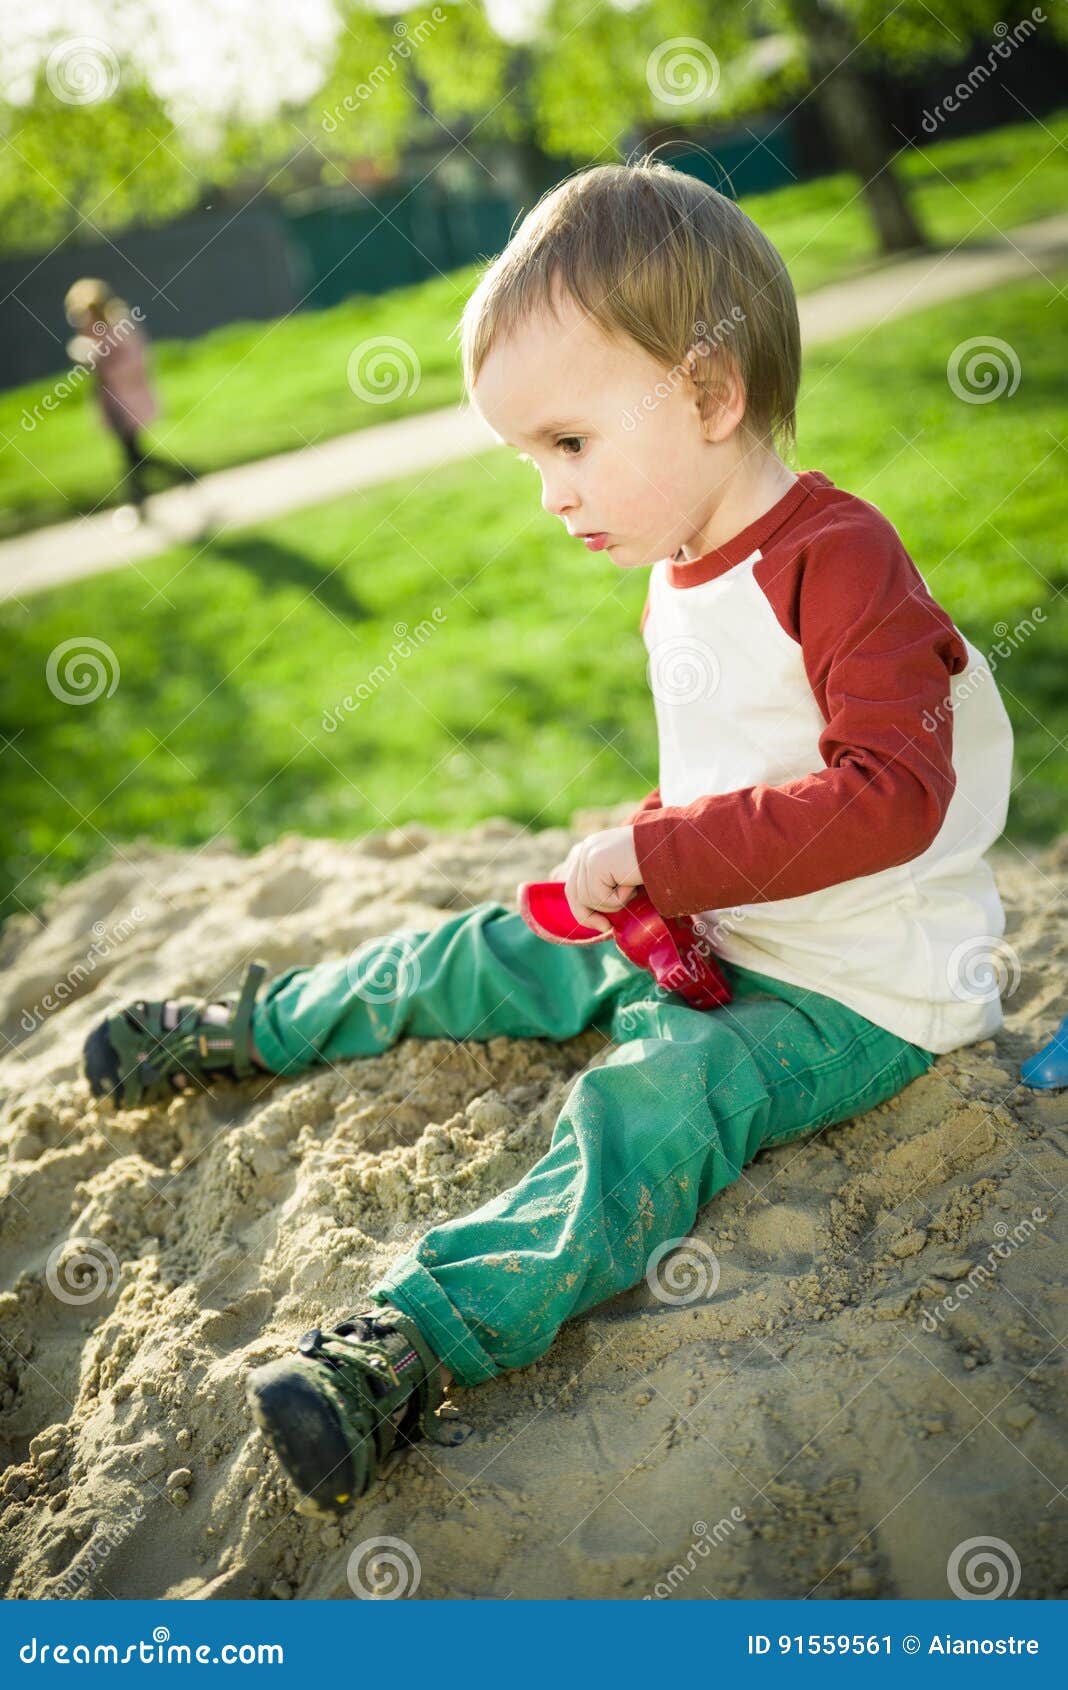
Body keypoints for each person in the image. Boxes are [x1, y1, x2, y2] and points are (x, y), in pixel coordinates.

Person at [82, 159, 1014, 1520]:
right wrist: (654, 859)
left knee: (654, 1098)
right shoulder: (677, 566)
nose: (548, 493)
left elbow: (893, 793)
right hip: (720, 918)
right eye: (528, 459)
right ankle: (253, 1023)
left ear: (707, 394)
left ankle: (407, 1346)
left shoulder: (838, 557)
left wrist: (669, 852)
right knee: (485, 944)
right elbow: (740, 768)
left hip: (856, 983)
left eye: (569, 446)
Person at [64, 278, 193, 511]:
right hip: (110, 402)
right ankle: (152, 494)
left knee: (132, 455)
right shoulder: (91, 332)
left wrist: (98, 358)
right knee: (132, 455)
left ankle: (170, 483)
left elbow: (133, 363)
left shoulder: (119, 327)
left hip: (128, 400)